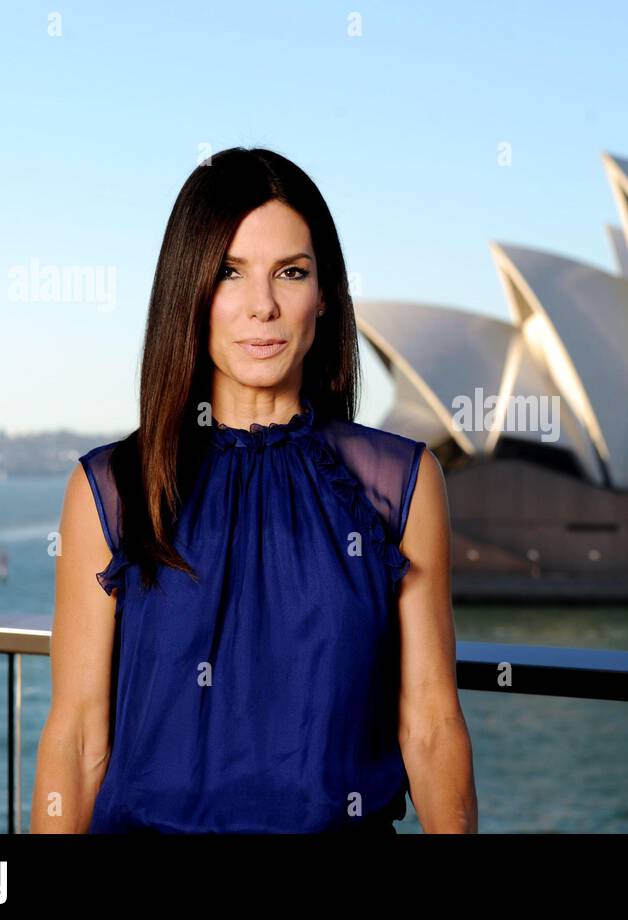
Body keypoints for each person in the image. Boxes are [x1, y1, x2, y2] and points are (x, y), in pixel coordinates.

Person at [31, 147, 477, 833]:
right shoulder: (112, 486)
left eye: (290, 273)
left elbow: (431, 726)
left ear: (324, 295)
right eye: (229, 274)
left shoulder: (402, 484)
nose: (262, 306)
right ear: (190, 292)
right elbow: (78, 740)